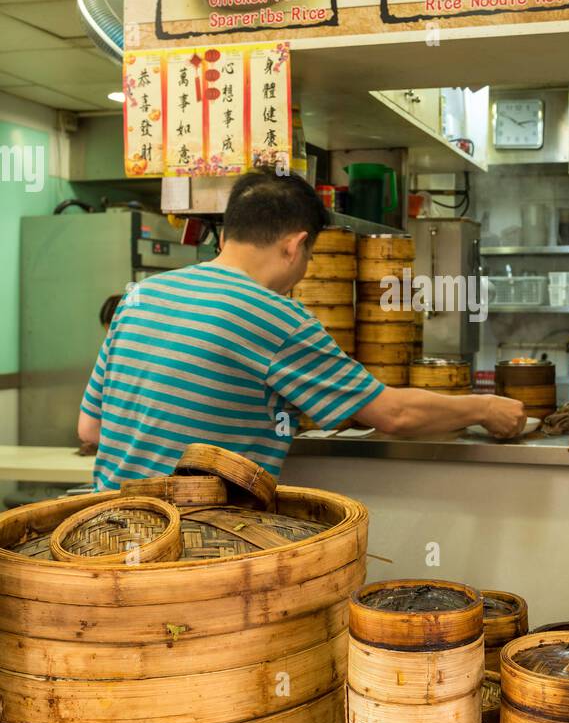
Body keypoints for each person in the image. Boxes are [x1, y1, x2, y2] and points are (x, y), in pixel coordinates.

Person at [78, 169, 525, 489]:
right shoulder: (277, 318)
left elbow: (90, 430)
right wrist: (484, 409)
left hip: (110, 538)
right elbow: (394, 415)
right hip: (199, 552)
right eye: (309, 253)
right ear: (295, 245)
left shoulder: (139, 296)